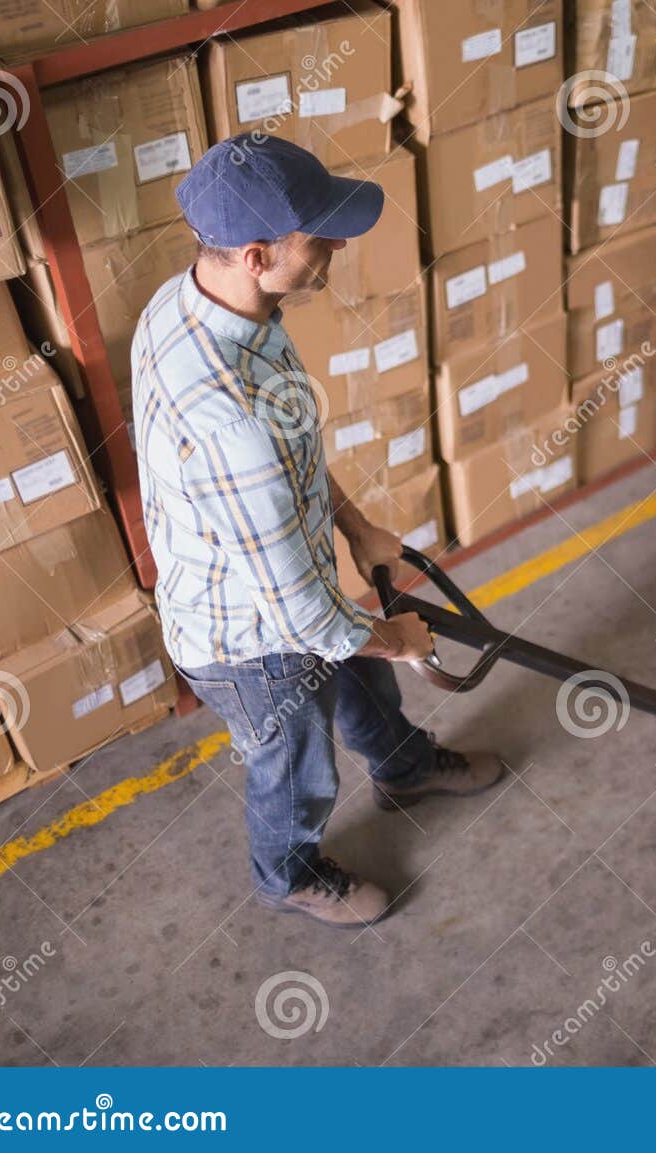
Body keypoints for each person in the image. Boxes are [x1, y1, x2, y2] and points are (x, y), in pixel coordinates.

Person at [132, 134, 502, 929]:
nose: (337, 242)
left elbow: (289, 445)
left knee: (360, 676)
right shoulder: (227, 413)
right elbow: (304, 622)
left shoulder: (205, 300)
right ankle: (288, 873)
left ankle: (402, 767)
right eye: (320, 234)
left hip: (282, 578)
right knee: (295, 766)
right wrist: (396, 638)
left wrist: (357, 525)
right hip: (248, 638)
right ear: (259, 253)